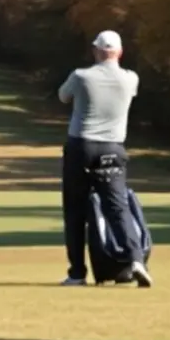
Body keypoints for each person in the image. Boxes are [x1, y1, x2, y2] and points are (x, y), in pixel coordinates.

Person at [57, 30, 152, 288]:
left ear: (96, 51)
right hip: (113, 147)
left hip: (82, 146)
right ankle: (135, 260)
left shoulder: (81, 76)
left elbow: (63, 96)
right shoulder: (131, 79)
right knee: (117, 207)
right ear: (120, 52)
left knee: (76, 211)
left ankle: (77, 273)